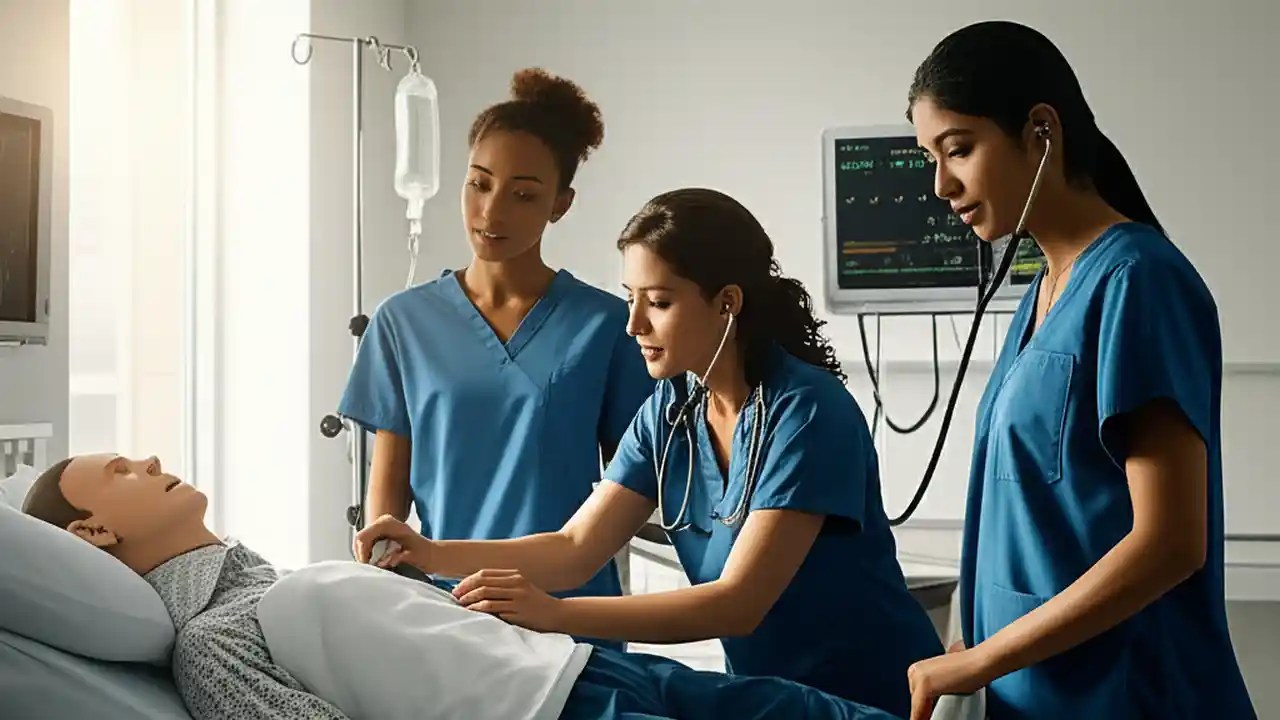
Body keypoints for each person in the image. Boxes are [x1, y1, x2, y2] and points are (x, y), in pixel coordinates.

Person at [355, 187, 944, 719]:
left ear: (727, 303)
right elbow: (575, 549)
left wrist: (556, 615)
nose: (633, 323)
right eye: (629, 297)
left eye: (658, 302)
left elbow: (737, 605)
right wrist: (431, 551)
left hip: (878, 699)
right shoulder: (671, 411)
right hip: (771, 700)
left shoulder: (807, 411)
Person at [902, 20, 1255, 720]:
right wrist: (968, 653)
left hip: (1130, 694)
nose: (941, 185)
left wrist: (978, 660)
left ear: (1040, 130)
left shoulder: (1138, 282)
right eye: (929, 158)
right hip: (1035, 694)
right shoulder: (1041, 293)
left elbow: (1169, 543)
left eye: (959, 150)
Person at [21, 453, 901, 720]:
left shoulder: (271, 583)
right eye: (120, 469)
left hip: (578, 670)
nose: (151, 461)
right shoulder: (212, 639)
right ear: (92, 532)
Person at [337, 67, 653, 630]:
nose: (491, 211)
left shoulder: (608, 326)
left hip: (566, 612)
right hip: (443, 614)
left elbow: (636, 486)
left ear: (561, 203)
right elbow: (386, 513)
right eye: (479, 183)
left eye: (523, 193)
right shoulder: (402, 323)